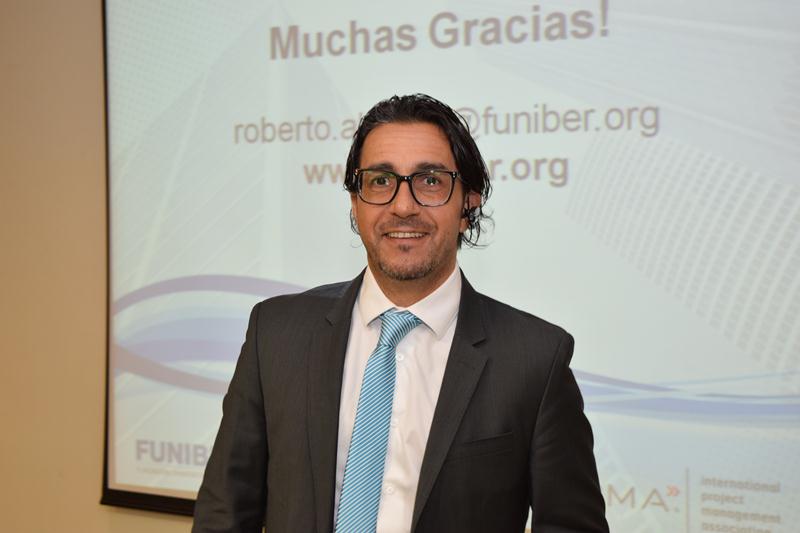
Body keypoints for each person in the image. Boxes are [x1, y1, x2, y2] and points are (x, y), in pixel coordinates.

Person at [192, 94, 608, 533]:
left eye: (430, 181)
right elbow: (225, 513)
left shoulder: (535, 360)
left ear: (468, 203)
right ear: (355, 201)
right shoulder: (275, 335)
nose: (403, 205)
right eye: (380, 180)